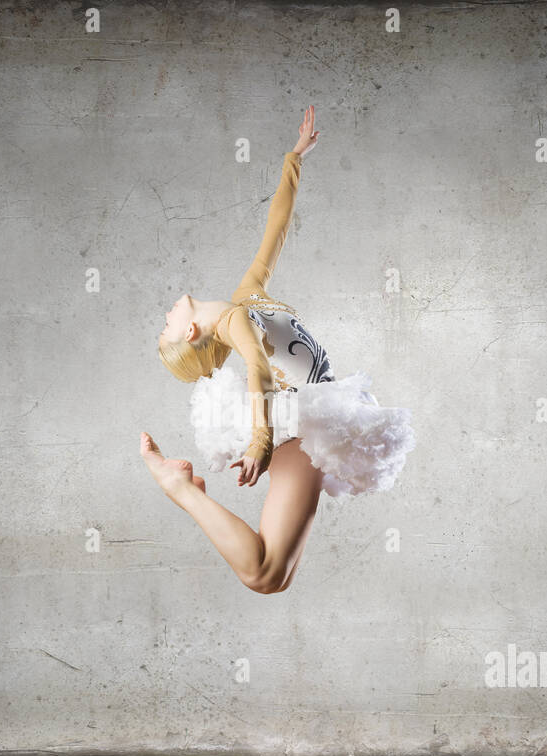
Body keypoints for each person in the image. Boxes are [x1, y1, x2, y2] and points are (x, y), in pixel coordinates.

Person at [142, 105, 415, 594]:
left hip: (313, 426)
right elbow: (258, 373)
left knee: (271, 576)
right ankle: (180, 489)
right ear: (190, 335)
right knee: (265, 574)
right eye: (165, 328)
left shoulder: (246, 297)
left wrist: (294, 160)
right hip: (297, 430)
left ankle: (182, 490)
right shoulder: (230, 323)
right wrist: (260, 442)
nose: (164, 318)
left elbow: (277, 228)